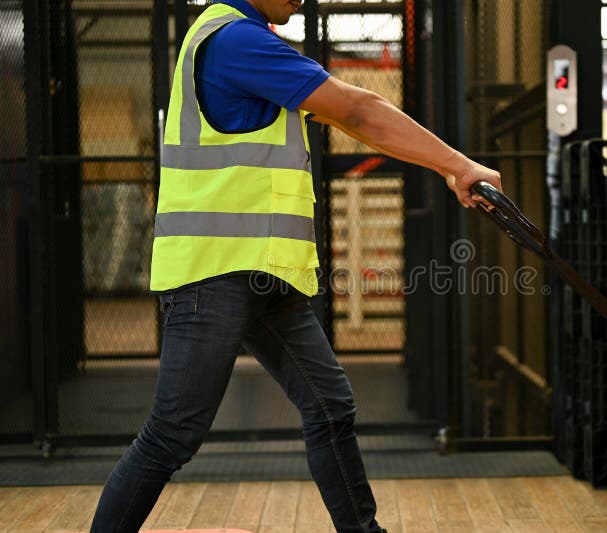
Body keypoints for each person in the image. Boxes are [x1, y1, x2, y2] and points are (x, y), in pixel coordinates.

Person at [90, 0, 501, 531]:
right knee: (172, 434)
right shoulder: (236, 41)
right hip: (214, 273)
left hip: (264, 272)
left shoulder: (245, 42)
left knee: (330, 408)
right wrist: (460, 165)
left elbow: (355, 121)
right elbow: (357, 109)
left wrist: (448, 170)